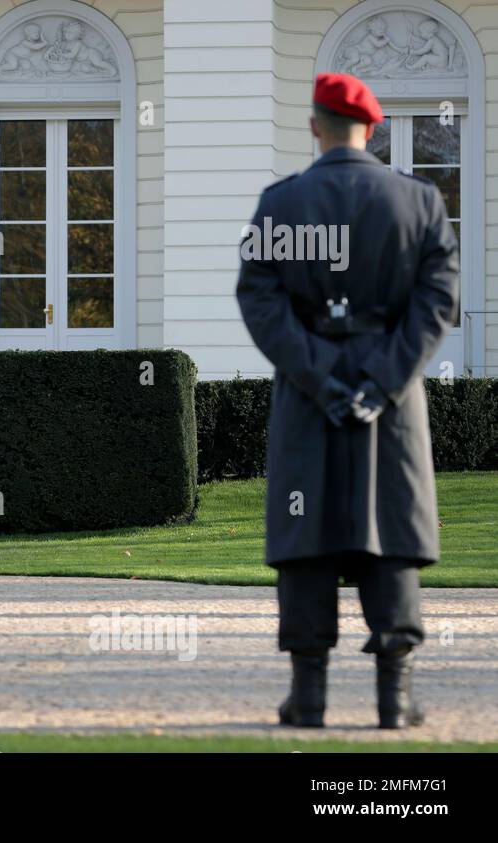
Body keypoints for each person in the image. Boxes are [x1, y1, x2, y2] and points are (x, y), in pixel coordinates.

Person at [236, 73, 460, 729]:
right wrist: (381, 379)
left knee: (306, 536)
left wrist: (322, 374)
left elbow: (260, 300)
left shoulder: (280, 204)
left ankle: (308, 698)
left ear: (314, 126)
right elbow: (437, 301)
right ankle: (395, 698)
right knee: (389, 532)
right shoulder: (418, 201)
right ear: (374, 127)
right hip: (389, 402)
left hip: (309, 397)